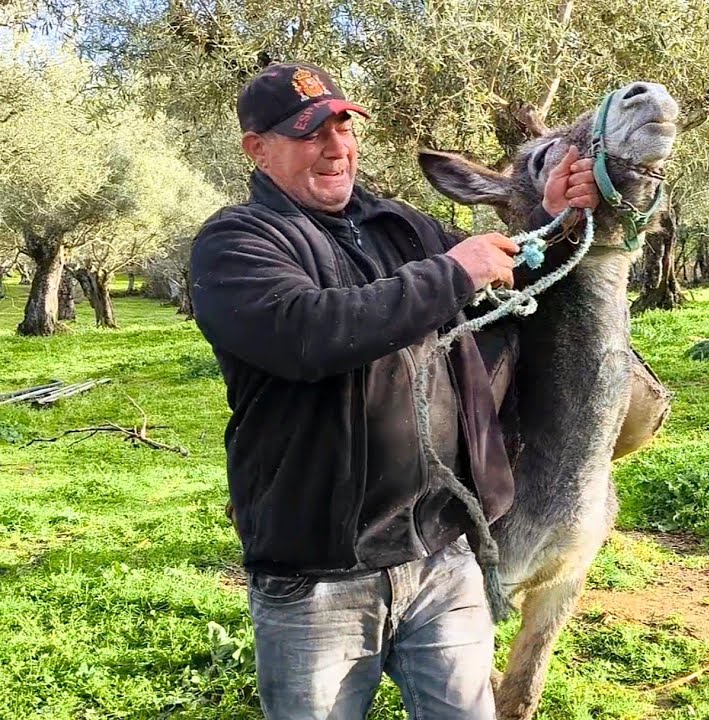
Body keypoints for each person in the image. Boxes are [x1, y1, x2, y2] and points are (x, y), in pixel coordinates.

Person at [188, 61, 600, 720]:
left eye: (344, 126)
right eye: (309, 132)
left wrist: (547, 218)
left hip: (441, 554)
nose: (336, 147)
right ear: (256, 149)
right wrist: (452, 272)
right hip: (317, 578)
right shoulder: (236, 244)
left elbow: (502, 278)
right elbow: (306, 333)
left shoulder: (401, 228)